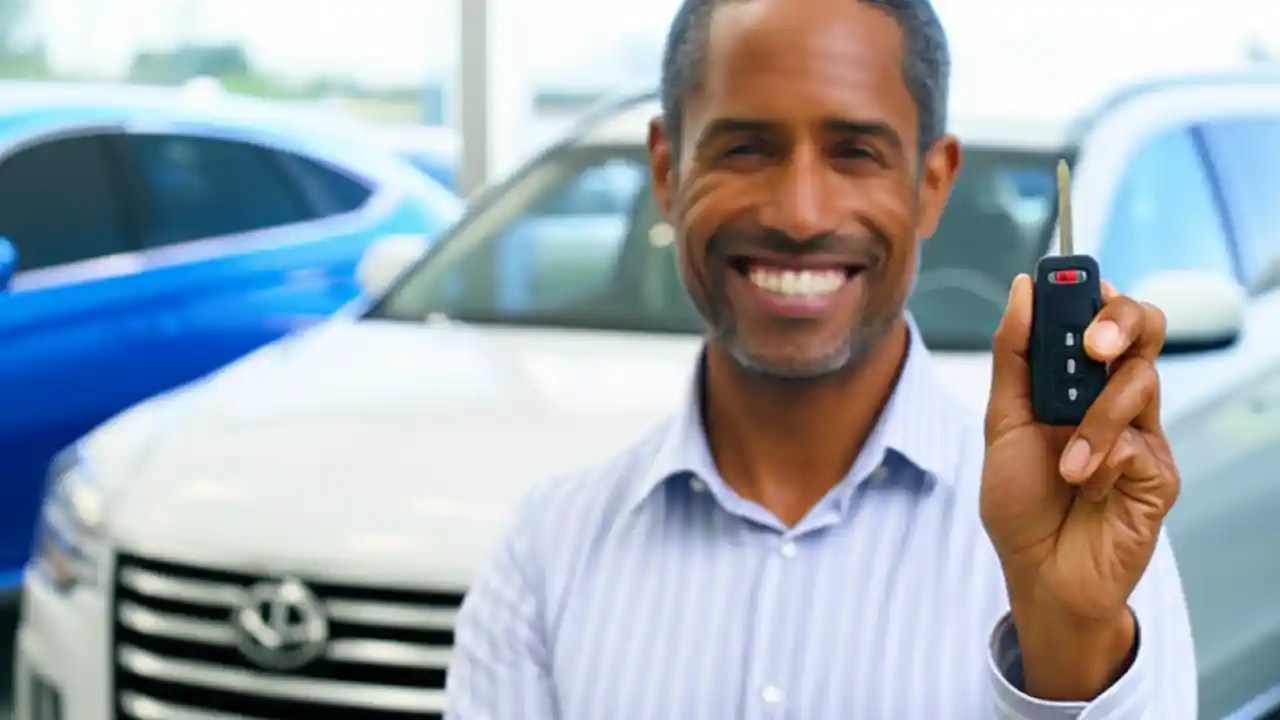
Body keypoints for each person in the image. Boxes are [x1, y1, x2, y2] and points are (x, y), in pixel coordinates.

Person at [445, 0, 1197, 717]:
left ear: (932, 184)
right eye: (745, 148)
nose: (800, 214)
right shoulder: (547, 555)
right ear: (667, 171)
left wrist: (1068, 645)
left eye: (855, 153)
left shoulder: (1079, 524)